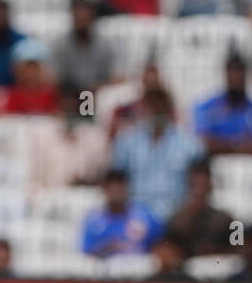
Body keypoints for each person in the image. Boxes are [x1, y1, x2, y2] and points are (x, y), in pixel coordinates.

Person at [109, 87, 203, 222]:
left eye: (160, 106)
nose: (156, 110)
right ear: (143, 108)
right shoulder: (126, 141)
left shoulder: (190, 144)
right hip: (136, 217)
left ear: (169, 108)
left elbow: (199, 184)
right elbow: (116, 181)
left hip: (177, 217)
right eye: (152, 105)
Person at [192, 54, 252, 155]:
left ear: (246, 75)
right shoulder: (207, 107)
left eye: (239, 72)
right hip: (214, 163)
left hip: (250, 164)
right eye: (232, 72)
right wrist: (237, 145)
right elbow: (204, 143)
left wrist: (223, 144)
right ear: (225, 74)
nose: (236, 77)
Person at [82, 169, 163, 257]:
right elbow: (86, 252)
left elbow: (161, 243)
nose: (116, 193)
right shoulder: (94, 221)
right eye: (111, 188)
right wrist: (108, 247)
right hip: (107, 268)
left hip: (140, 267)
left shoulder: (143, 215)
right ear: (104, 189)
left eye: (119, 188)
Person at [163, 160, 236, 258]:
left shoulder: (226, 220)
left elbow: (238, 250)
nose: (199, 191)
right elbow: (167, 252)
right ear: (188, 187)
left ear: (210, 187)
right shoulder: (175, 221)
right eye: (195, 185)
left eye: (203, 185)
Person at [49, 0, 117, 92]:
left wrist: (95, 88)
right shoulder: (61, 43)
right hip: (69, 95)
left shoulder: (105, 44)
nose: (80, 17)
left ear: (92, 17)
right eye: (77, 14)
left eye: (84, 15)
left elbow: (115, 78)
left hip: (98, 93)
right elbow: (55, 77)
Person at [0, 38, 59, 115]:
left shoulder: (52, 95)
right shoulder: (8, 95)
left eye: (35, 68)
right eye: (27, 68)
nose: (31, 73)